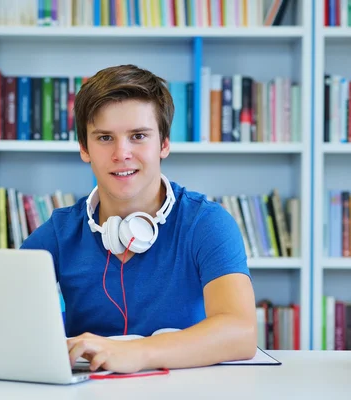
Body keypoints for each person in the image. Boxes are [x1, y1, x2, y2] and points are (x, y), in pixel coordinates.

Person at [20, 64, 257, 374]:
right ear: (83, 148)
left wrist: (135, 353)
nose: (122, 153)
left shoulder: (207, 223)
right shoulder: (58, 233)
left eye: (138, 136)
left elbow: (241, 332)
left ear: (164, 144)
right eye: (105, 138)